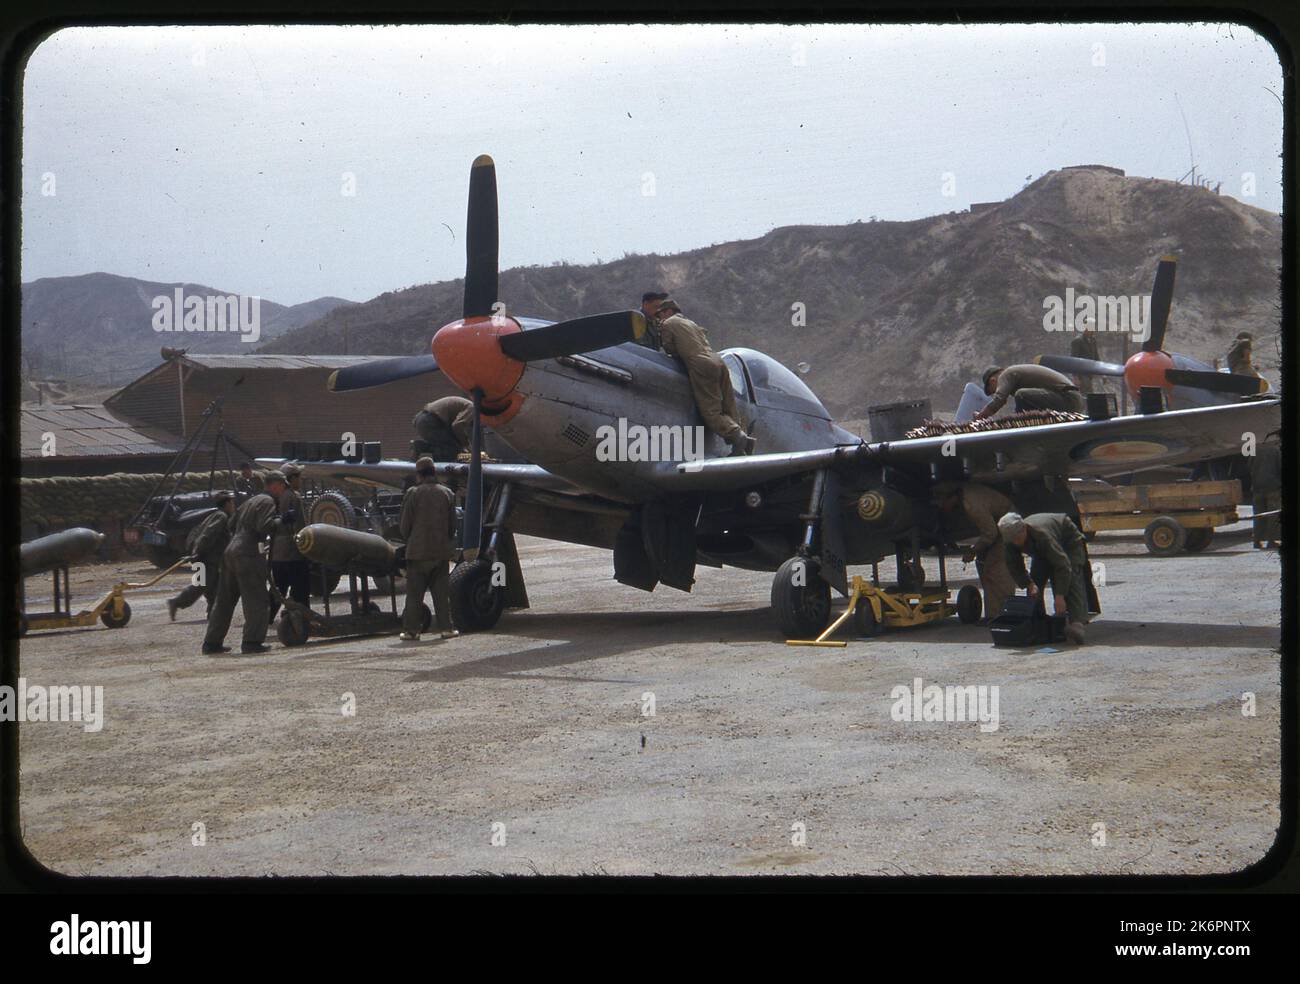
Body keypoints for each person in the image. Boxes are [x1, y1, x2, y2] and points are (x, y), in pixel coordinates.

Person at [655, 299, 755, 455]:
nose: (659, 318)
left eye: (660, 314)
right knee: (729, 405)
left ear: (668, 311)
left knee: (711, 411)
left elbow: (669, 348)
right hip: (719, 362)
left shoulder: (668, 323)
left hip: (700, 364)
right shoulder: (690, 323)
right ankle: (741, 444)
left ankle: (736, 436)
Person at [202, 472, 286, 655]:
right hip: (248, 553)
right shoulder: (267, 502)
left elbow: (231, 524)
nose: (283, 490)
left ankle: (211, 643)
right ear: (275, 485)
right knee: (257, 599)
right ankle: (252, 641)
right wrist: (282, 521)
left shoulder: (250, 501)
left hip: (231, 551)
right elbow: (264, 526)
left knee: (224, 600)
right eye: (282, 486)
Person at [998, 511, 1091, 644]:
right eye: (1012, 540)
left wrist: (1060, 596)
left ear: (1024, 528)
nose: (1015, 542)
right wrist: (1029, 584)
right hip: (1041, 549)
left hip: (1068, 541)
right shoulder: (1010, 540)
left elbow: (1063, 566)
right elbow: (1014, 565)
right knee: (1036, 580)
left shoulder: (1042, 534)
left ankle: (1077, 623)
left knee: (1072, 577)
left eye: (1017, 538)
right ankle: (1039, 620)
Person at [936, 482, 1017, 621]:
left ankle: (1001, 615)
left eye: (942, 502)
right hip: (998, 526)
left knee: (995, 570)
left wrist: (973, 551)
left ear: (951, 498)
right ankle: (994, 613)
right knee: (984, 567)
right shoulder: (965, 496)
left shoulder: (972, 505)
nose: (941, 506)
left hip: (1006, 526)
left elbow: (990, 533)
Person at [399, 457, 459, 641]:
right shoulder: (447, 493)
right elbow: (452, 526)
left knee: (414, 596)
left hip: (417, 553)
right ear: (434, 472)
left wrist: (409, 540)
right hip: (440, 552)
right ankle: (446, 628)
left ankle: (411, 631)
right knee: (441, 594)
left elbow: (405, 525)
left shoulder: (413, 493)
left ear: (419, 475)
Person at [167, 491, 235, 620]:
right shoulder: (221, 517)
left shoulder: (216, 515)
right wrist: (197, 553)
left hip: (209, 558)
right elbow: (207, 535)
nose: (233, 505)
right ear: (226, 504)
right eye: (232, 502)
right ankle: (176, 602)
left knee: (214, 586)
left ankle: (213, 613)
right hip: (205, 557)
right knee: (201, 584)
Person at [267, 463, 310, 620]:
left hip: (278, 552)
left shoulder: (277, 497)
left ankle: (265, 617)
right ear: (291, 479)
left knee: (279, 587)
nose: (301, 480)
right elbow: (300, 527)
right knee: (301, 587)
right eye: (299, 477)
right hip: (293, 551)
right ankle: (303, 619)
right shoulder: (293, 496)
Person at [974, 364, 1086, 419]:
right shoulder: (1015, 374)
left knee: (1021, 395)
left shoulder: (1005, 374)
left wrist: (980, 417)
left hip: (1068, 399)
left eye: (992, 391)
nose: (995, 392)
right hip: (1074, 401)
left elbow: (999, 400)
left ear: (992, 381)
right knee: (1023, 399)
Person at [412, 396, 475, 461]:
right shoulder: (472, 408)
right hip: (430, 421)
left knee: (444, 446)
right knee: (452, 447)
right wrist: (466, 444)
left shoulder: (464, 406)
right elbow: (457, 426)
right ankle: (445, 467)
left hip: (422, 419)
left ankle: (420, 446)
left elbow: (454, 429)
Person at [1250, 438, 1281, 549]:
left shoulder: (1255, 449)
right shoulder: (1276, 450)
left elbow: (1249, 467)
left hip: (1257, 487)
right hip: (1273, 487)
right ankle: (1271, 541)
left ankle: (1257, 541)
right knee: (1272, 515)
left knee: (1258, 515)